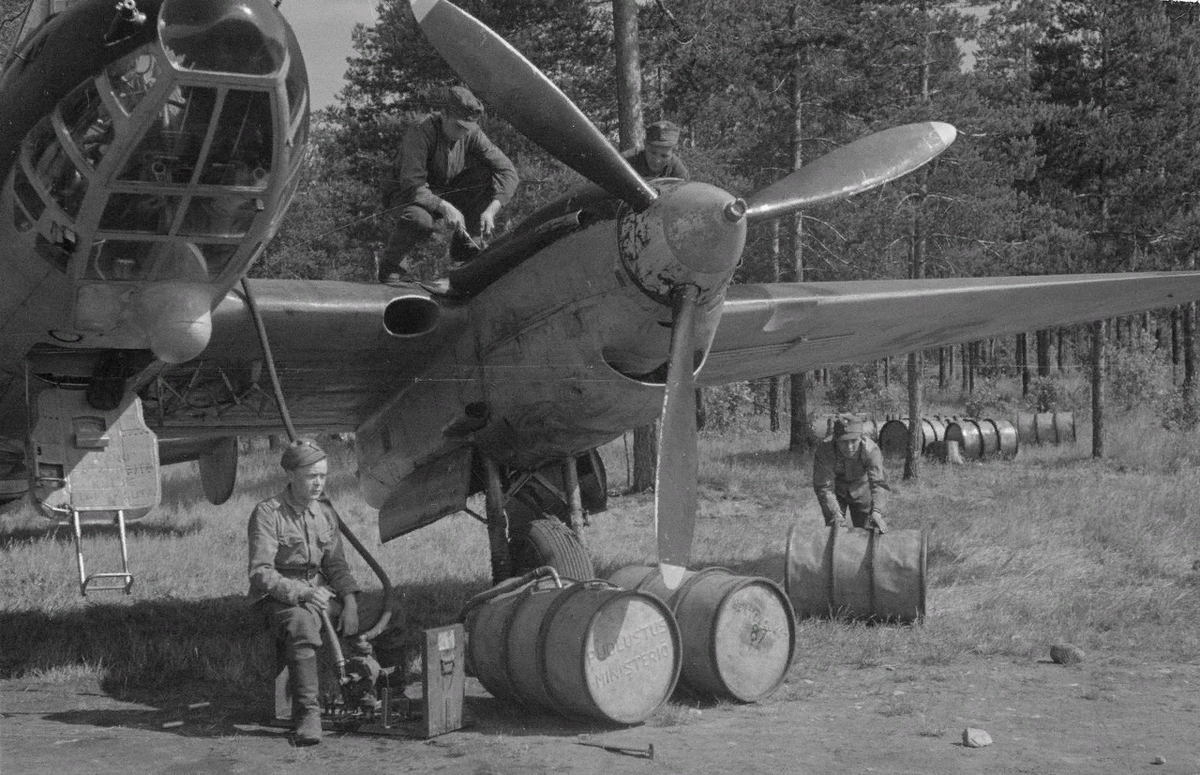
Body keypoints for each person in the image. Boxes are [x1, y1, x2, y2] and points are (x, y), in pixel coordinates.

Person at [248, 438, 360, 745]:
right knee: (302, 623)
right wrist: (303, 593)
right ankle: (308, 715)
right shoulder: (268, 513)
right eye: (312, 476)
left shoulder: (325, 512)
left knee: (389, 613)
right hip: (277, 599)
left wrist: (350, 602)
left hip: (321, 595)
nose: (318, 483)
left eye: (323, 476)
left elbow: (336, 566)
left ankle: (384, 696)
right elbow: (260, 572)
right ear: (291, 475)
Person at [377, 85, 519, 284]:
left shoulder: (472, 133)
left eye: (467, 128)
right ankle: (391, 267)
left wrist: (491, 210)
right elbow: (412, 184)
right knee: (419, 220)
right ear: (443, 114)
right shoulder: (421, 129)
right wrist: (445, 207)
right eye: (458, 126)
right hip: (407, 195)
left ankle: (468, 246)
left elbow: (507, 171)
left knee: (483, 175)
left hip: (443, 190)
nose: (462, 133)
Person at [812, 416, 890, 532]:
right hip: (836, 492)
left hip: (862, 489)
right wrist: (835, 513)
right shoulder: (825, 451)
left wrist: (877, 511)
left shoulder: (871, 450)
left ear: (861, 437)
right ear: (835, 439)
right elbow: (825, 486)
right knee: (835, 530)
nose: (849, 447)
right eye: (844, 442)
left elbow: (879, 483)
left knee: (866, 531)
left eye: (854, 441)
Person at [624, 120, 689, 179]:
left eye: (664, 156)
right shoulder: (626, 162)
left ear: (673, 152)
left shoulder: (677, 170)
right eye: (653, 153)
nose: (657, 160)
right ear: (645, 145)